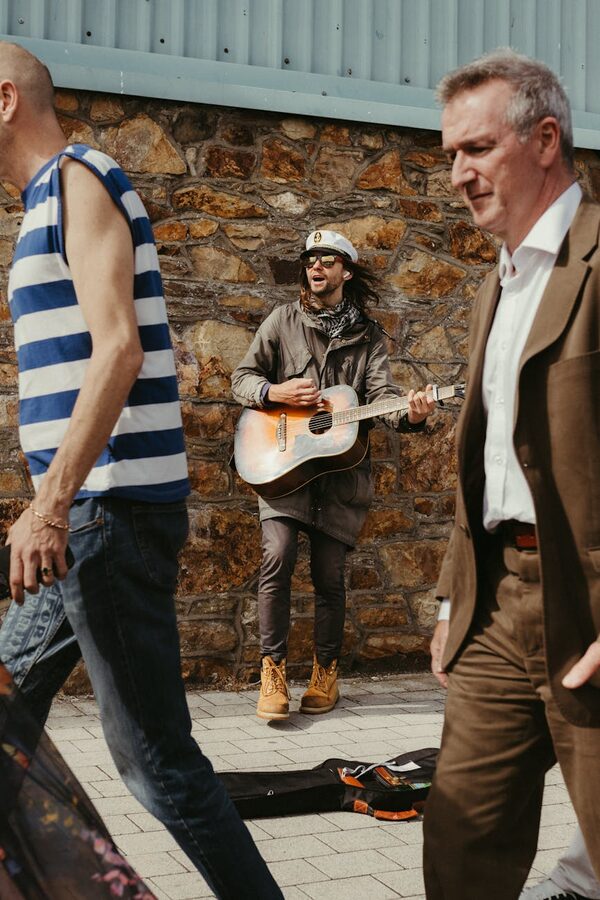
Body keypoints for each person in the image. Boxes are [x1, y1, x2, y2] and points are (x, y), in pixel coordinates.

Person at [0, 41, 282, 900]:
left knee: (157, 762)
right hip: (82, 517)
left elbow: (117, 348)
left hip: (101, 517)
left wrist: (49, 504)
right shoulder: (43, 202)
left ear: (4, 98)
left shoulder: (79, 179)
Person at [424, 46, 600, 900]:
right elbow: (487, 466)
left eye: (477, 149)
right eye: (450, 154)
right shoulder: (495, 286)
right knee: (460, 843)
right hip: (496, 604)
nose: (457, 172)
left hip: (590, 605)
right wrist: (456, 598)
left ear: (544, 139)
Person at [231, 230, 435, 720]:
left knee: (328, 577)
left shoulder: (369, 336)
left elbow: (384, 401)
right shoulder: (282, 321)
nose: (315, 267)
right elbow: (241, 379)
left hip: (338, 480)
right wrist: (276, 394)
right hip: (281, 467)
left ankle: (326, 673)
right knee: (276, 559)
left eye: (327, 259)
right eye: (310, 260)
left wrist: (414, 415)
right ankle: (272, 674)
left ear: (346, 270)